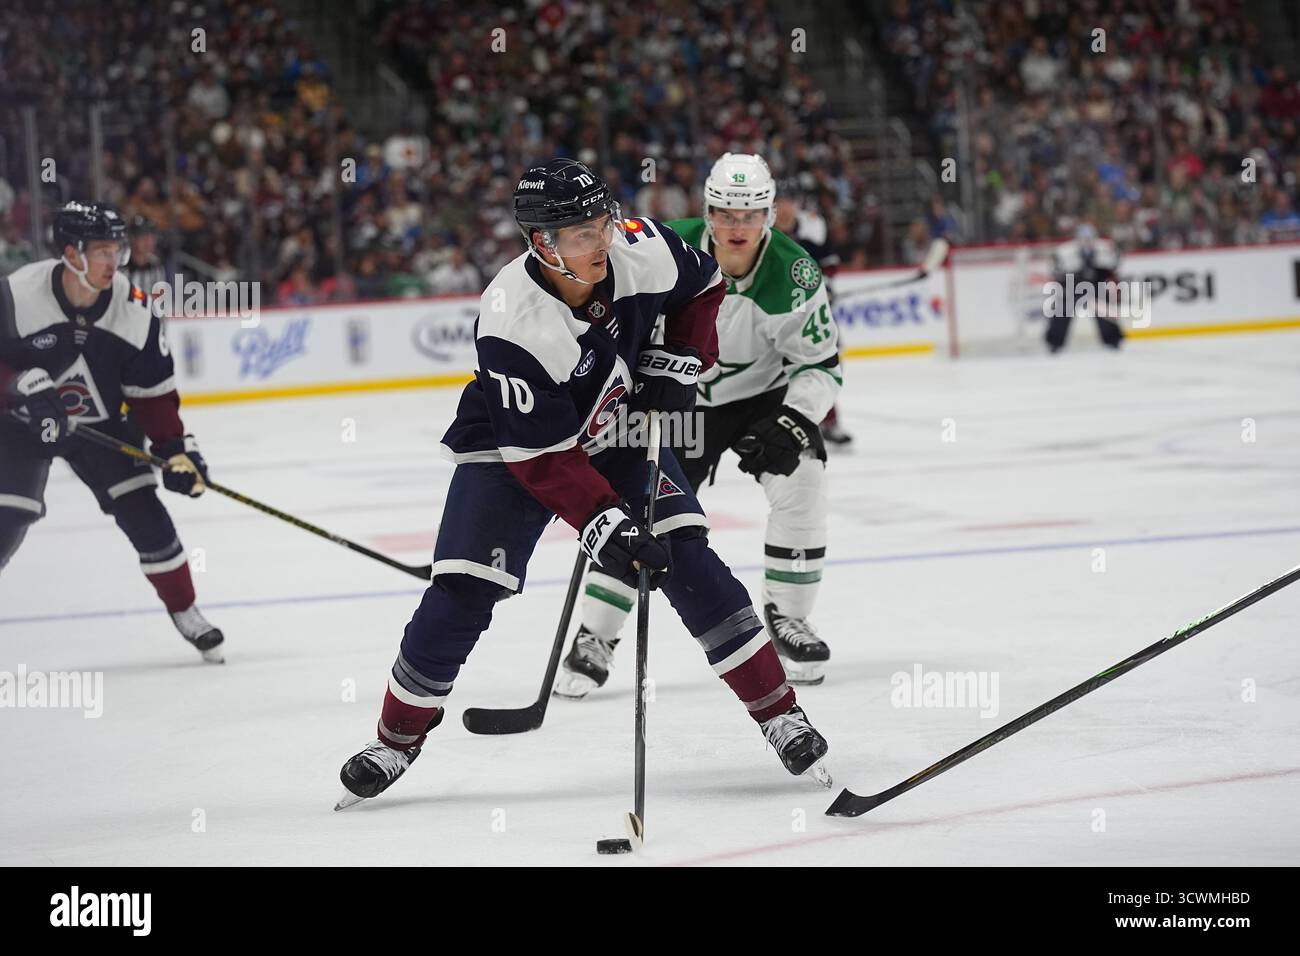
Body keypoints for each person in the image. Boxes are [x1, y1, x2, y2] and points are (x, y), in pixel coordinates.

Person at [335, 159, 830, 808]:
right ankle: (396, 739)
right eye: (582, 234)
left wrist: (678, 358)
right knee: (461, 593)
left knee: (690, 561)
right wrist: (606, 523)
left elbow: (704, 284)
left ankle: (779, 714)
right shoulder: (513, 320)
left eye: (602, 223)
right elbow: (544, 461)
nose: (602, 242)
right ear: (542, 244)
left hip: (615, 422)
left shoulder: (640, 245)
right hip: (510, 447)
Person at [555, 154, 842, 696]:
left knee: (802, 476)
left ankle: (789, 616)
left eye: (749, 215)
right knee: (635, 507)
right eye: (725, 214)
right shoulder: (664, 247)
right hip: (674, 401)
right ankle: (596, 634)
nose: (737, 227)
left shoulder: (796, 273)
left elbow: (820, 364)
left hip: (760, 400)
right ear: (707, 213)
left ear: (770, 215)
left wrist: (796, 416)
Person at [0, 202, 224, 662]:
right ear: (70, 253)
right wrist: (21, 384)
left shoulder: (136, 312)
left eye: (116, 250)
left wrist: (178, 452)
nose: (114, 261)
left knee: (146, 515)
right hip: (21, 426)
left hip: (103, 427)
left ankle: (186, 611)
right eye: (101, 250)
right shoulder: (15, 295)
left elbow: (155, 397)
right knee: (7, 517)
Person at [1045, 223, 1123, 352]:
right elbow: (1055, 268)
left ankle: (1112, 339)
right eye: (1083, 238)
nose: (1086, 241)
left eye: (1089, 238)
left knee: (1105, 310)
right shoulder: (1065, 251)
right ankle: (1055, 341)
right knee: (1062, 309)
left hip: (1097, 283)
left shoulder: (1105, 248)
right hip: (1073, 284)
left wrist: (1105, 269)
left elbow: (1115, 263)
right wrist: (1063, 278)